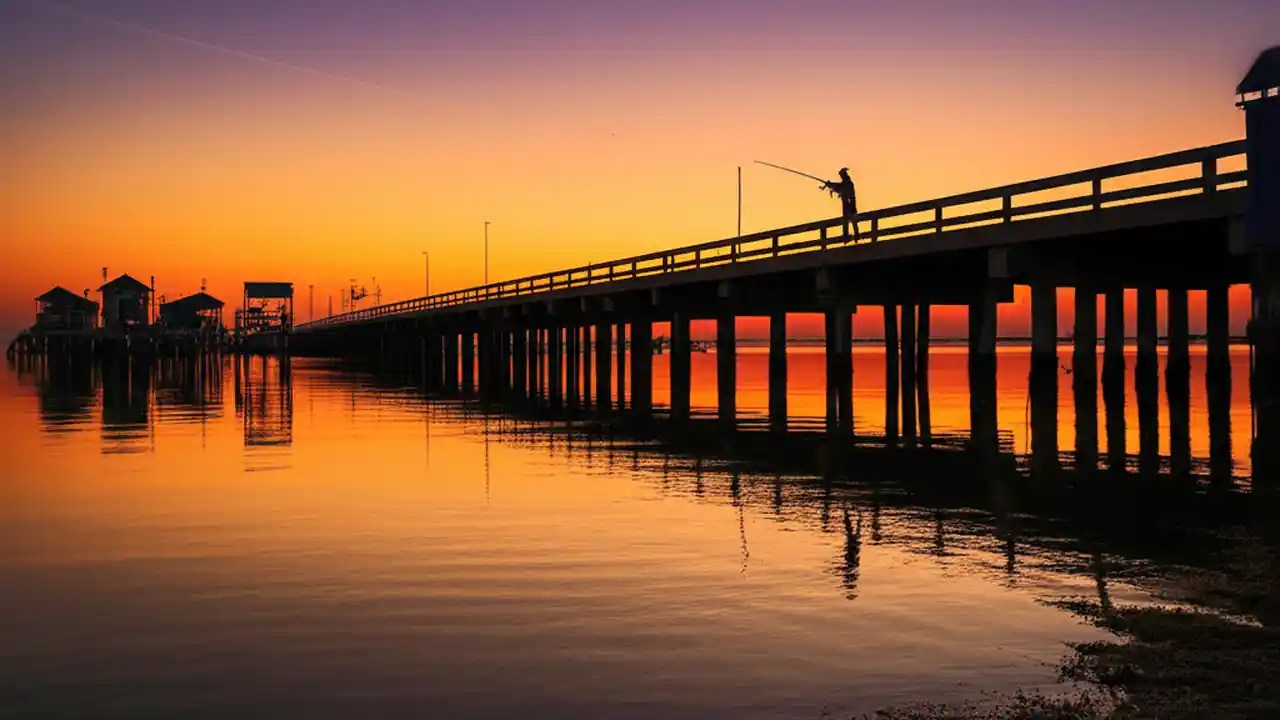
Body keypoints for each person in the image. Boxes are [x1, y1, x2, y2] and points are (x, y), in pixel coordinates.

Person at [824, 167, 859, 240]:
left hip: (849, 205)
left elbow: (839, 187)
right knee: (850, 221)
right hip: (850, 205)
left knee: (849, 221)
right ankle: (850, 237)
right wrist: (830, 184)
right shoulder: (847, 184)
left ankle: (851, 237)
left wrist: (830, 184)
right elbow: (838, 187)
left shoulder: (847, 184)